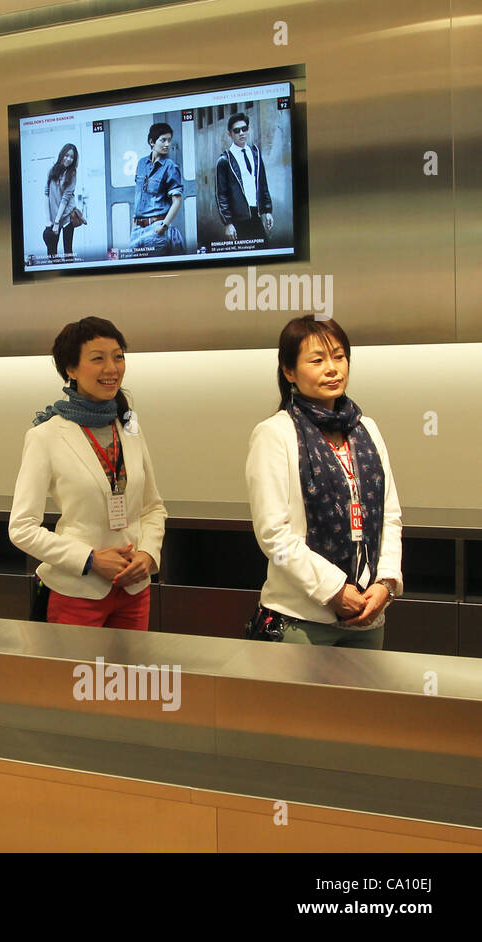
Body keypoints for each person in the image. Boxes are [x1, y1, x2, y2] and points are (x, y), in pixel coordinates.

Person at [245, 316, 402, 648]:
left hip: (367, 612)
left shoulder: (366, 429)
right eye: (317, 360)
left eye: (339, 356)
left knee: (364, 702)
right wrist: (333, 590)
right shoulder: (276, 433)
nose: (332, 368)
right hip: (302, 618)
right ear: (289, 372)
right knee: (298, 703)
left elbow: (390, 516)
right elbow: (274, 534)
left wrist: (385, 583)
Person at [9, 317, 167, 629]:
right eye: (98, 358)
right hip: (76, 592)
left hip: (134, 589)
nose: (112, 368)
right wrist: (91, 559)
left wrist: (148, 555)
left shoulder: (129, 426)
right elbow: (22, 528)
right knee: (73, 679)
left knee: (127, 678)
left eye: (118, 356)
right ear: (71, 369)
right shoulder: (46, 435)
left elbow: (153, 507)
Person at [215, 112, 274, 246]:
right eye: (236, 131)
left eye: (244, 129)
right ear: (230, 134)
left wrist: (267, 211)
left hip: (256, 215)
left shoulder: (255, 153)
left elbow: (263, 184)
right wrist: (228, 223)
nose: (241, 133)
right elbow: (221, 195)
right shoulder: (225, 160)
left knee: (264, 252)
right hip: (238, 219)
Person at [129, 122, 184, 257]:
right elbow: (138, 196)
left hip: (156, 229)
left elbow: (177, 201)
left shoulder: (170, 167)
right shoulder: (141, 163)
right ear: (152, 142)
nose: (167, 144)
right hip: (137, 229)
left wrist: (164, 226)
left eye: (169, 140)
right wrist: (133, 227)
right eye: (163, 140)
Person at [43, 143, 81, 260]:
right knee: (52, 254)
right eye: (67, 155)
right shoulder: (52, 171)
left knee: (68, 252)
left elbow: (65, 199)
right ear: (62, 154)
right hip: (54, 217)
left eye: (72, 157)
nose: (68, 159)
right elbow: (46, 194)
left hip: (67, 216)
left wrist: (57, 222)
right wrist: (49, 219)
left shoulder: (72, 174)